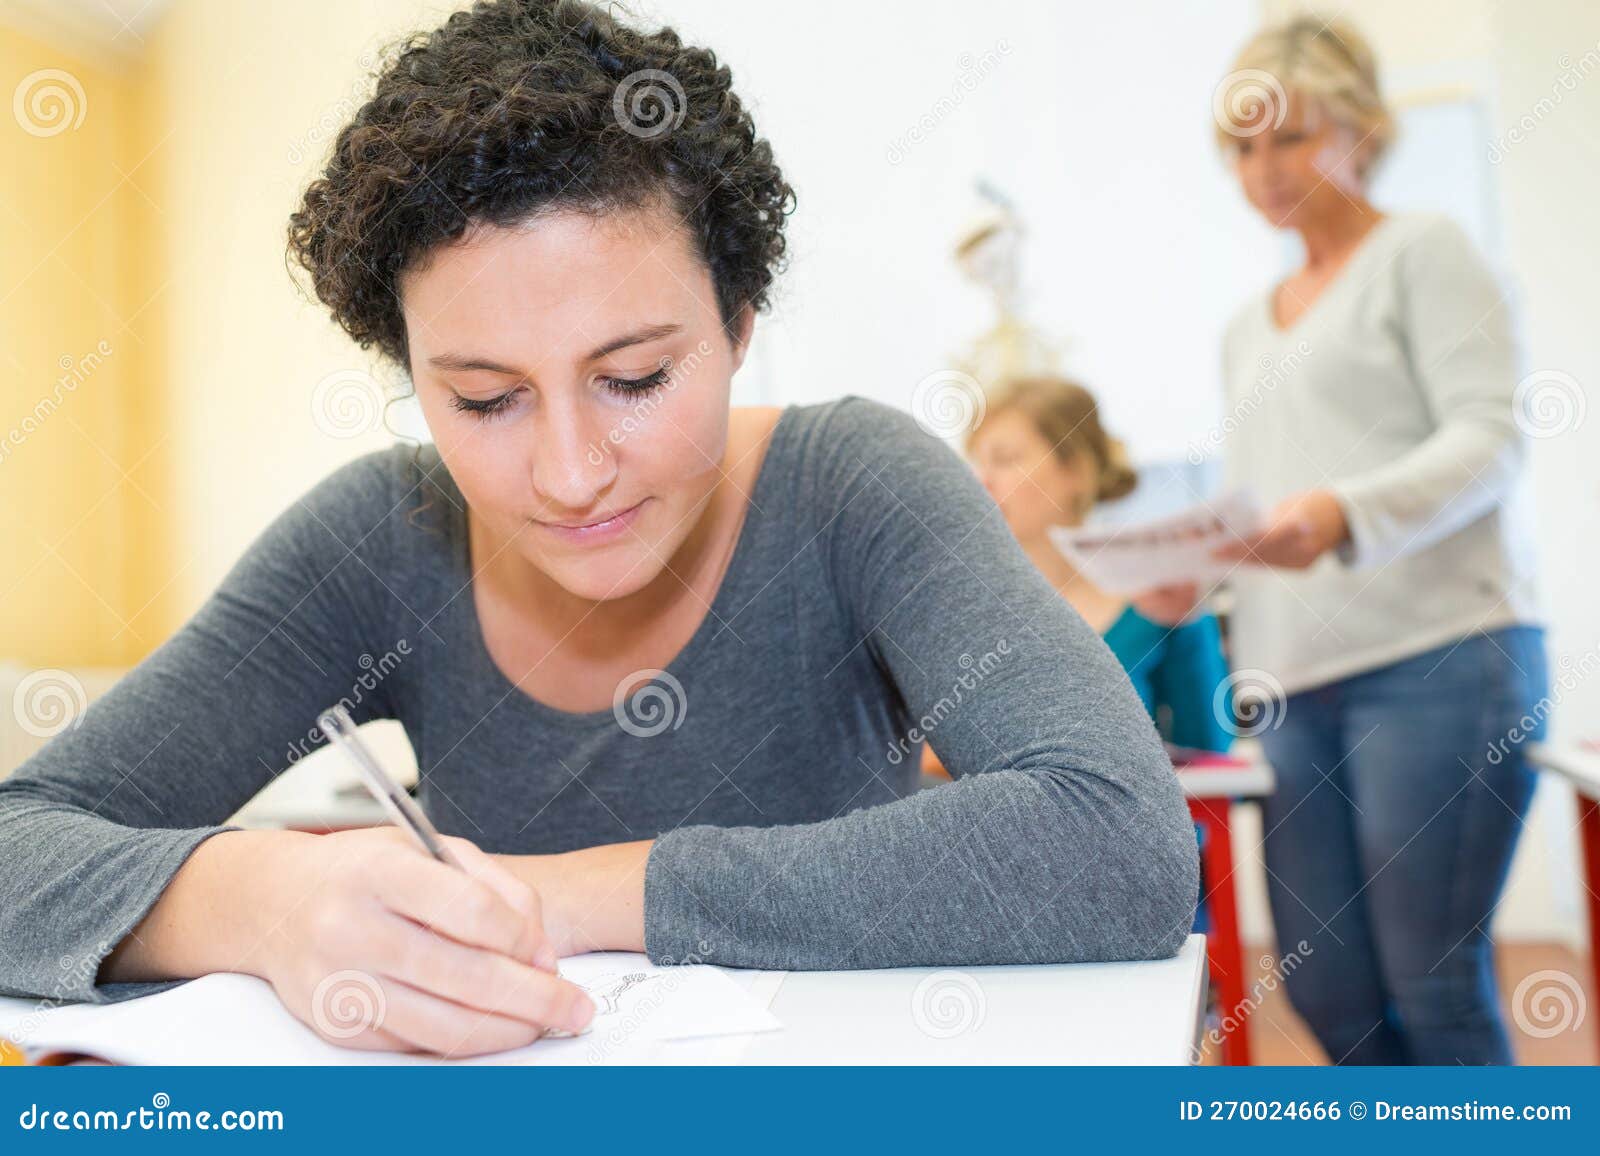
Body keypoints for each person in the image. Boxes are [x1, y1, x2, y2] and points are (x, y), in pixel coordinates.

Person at [0, 0, 1197, 1058]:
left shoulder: (853, 487)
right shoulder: (382, 535)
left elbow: (1119, 839)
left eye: (633, 377)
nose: (571, 473)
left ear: (735, 323)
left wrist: (548, 898)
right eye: (482, 399)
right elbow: (19, 848)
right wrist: (256, 896)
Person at [1210, 16, 1546, 1064]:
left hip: (1438, 660)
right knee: (1329, 994)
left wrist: (1342, 511)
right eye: (1243, 145)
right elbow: (1265, 511)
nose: (1263, 168)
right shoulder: (1244, 325)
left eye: (1292, 137)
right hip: (1297, 685)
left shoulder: (1421, 251)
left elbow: (1488, 441)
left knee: (1431, 980)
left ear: (1359, 132)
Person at [956, 377, 1233, 757]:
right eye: (976, 462)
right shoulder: (963, 613)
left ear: (1076, 471)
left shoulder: (1163, 601)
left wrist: (1188, 624)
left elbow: (1211, 762)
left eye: (1005, 459)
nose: (981, 481)